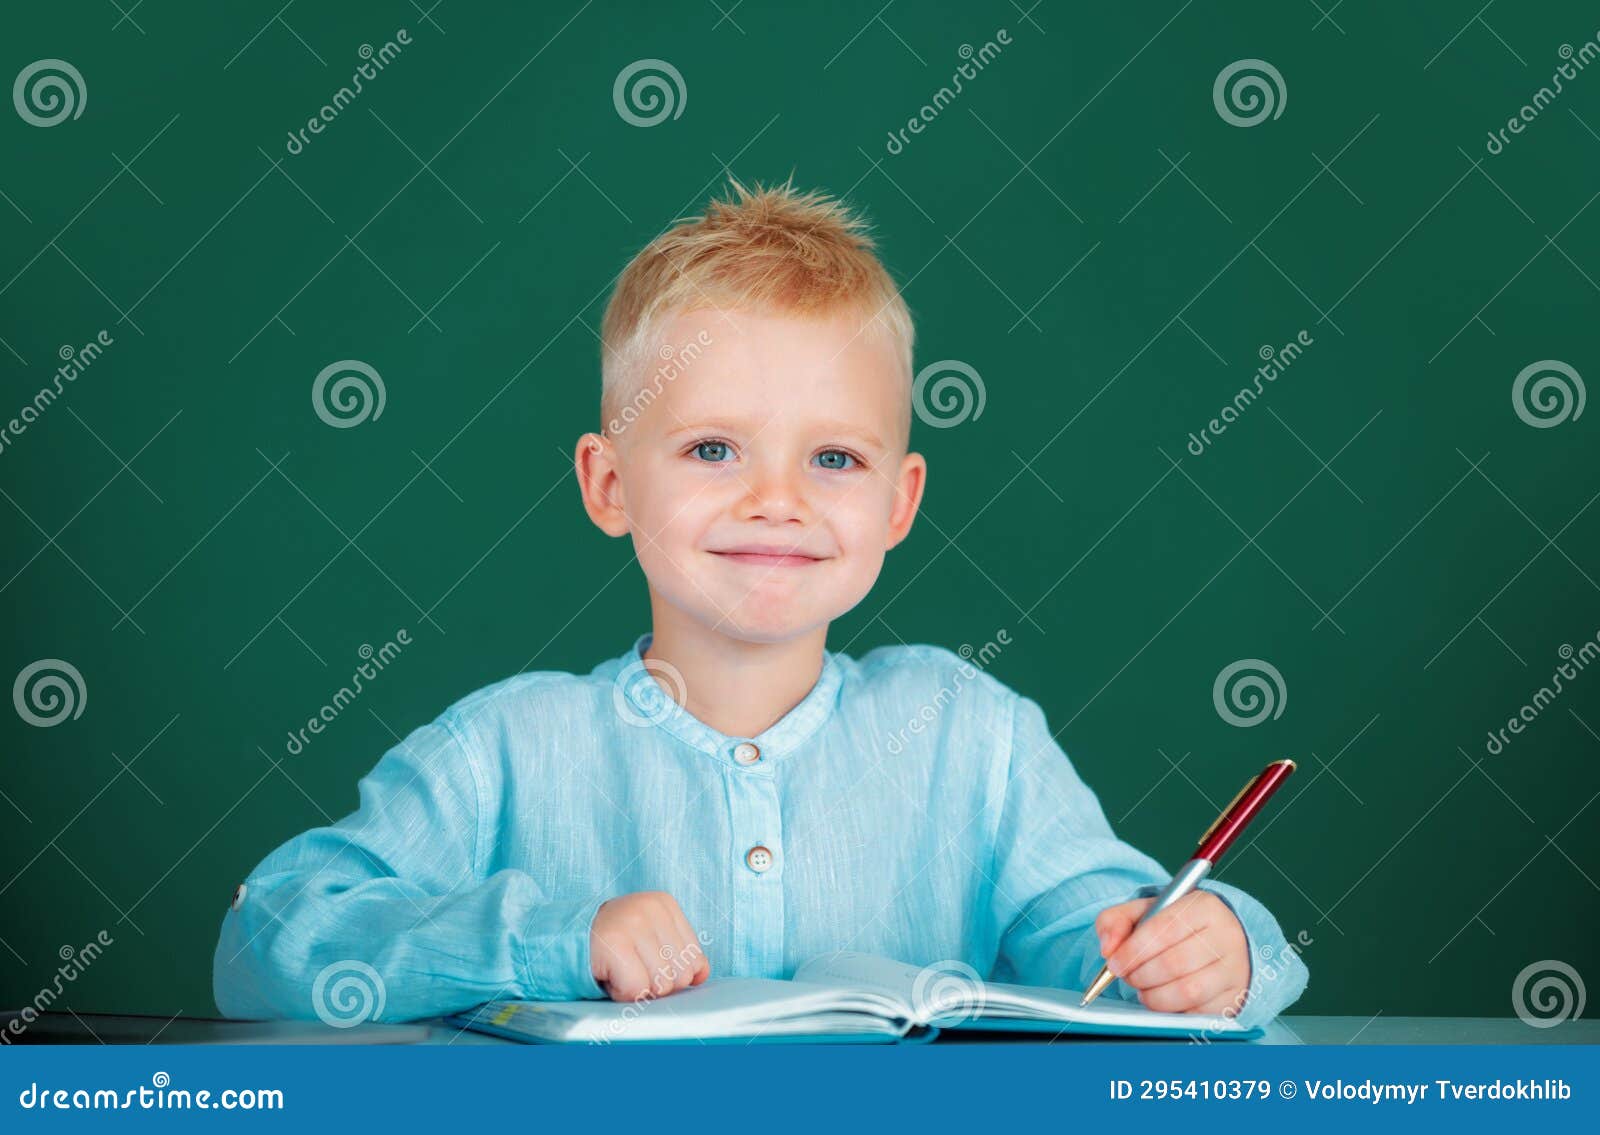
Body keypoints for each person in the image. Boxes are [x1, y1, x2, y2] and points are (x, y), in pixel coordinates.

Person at [213, 178, 1308, 1030]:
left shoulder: (970, 736)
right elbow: (268, 937)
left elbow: (1113, 936)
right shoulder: (509, 746)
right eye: (711, 448)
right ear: (608, 484)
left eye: (833, 456)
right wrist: (557, 940)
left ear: (898, 500)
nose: (776, 499)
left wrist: (1212, 951)